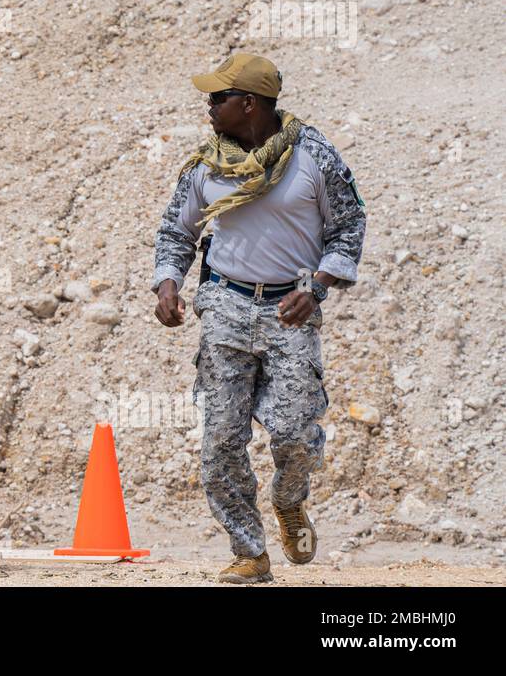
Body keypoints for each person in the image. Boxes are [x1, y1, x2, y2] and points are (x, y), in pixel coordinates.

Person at [151, 53, 366, 584]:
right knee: (221, 439)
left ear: (248, 104)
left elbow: (349, 228)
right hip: (224, 305)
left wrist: (317, 289)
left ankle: (289, 500)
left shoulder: (313, 156)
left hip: (291, 309)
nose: (208, 105)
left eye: (218, 98)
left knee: (293, 432)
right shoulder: (205, 165)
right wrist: (168, 283)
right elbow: (177, 233)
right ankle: (249, 551)